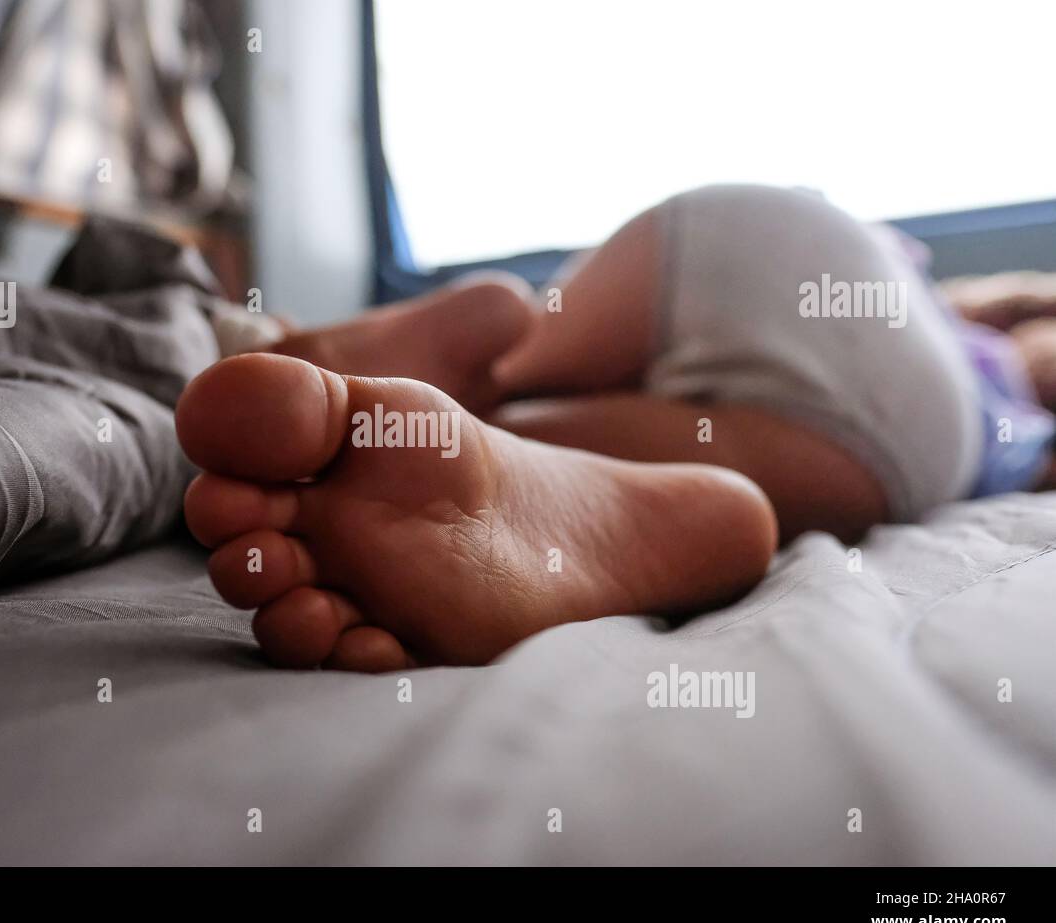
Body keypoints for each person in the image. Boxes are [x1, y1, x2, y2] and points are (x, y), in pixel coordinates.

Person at [175, 184, 1056, 672]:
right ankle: (667, 502)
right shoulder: (1013, 422)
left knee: (506, 380)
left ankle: (471, 364)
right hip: (909, 437)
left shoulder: (929, 285)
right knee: (692, 475)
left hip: (773, 232)